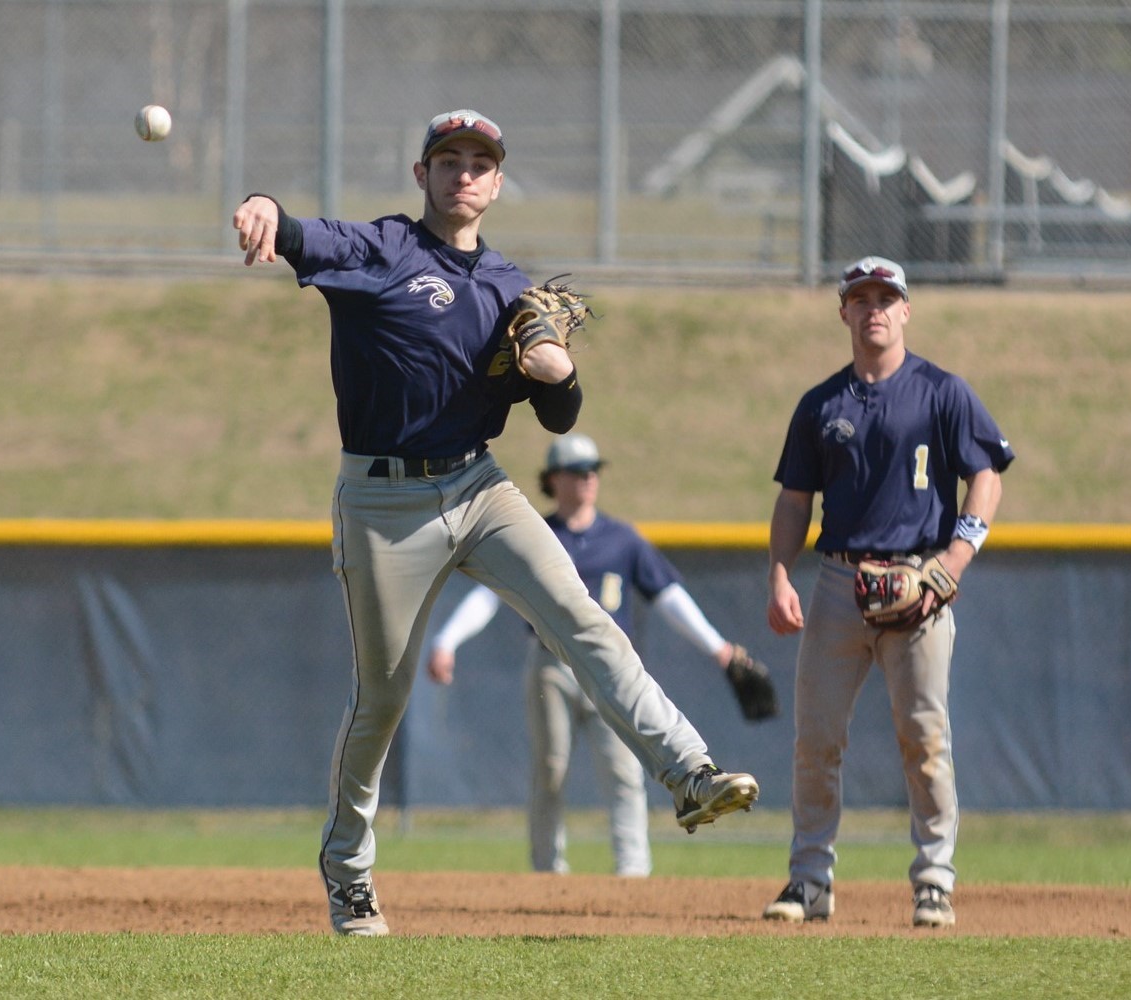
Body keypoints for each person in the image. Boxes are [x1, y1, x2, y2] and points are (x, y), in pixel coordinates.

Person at [231, 109, 760, 937]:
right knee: (383, 695)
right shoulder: (382, 250)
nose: (465, 172)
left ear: (499, 181)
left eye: (481, 160)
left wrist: (562, 370)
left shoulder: (514, 287)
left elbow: (557, 416)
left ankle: (688, 770)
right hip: (384, 500)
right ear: (423, 175)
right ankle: (348, 869)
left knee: (582, 618)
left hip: (479, 485)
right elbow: (303, 235)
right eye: (450, 159)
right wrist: (265, 205)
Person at [761, 256, 1012, 929]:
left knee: (924, 738)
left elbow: (986, 477)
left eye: (886, 297)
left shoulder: (941, 391)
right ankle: (809, 881)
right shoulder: (822, 403)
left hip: (920, 581)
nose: (874, 308)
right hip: (839, 582)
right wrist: (781, 573)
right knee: (816, 740)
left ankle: (934, 881)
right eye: (861, 297)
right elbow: (794, 500)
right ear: (843, 311)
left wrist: (955, 559)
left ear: (906, 310)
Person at [426, 432, 778, 878]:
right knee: (549, 771)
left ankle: (633, 873)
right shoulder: (537, 532)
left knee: (625, 771)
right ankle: (547, 870)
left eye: (593, 470)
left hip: (614, 670)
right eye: (578, 471)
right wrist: (447, 640)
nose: (589, 478)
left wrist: (717, 647)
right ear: (554, 478)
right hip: (550, 665)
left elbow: (668, 596)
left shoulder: (621, 539)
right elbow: (489, 597)